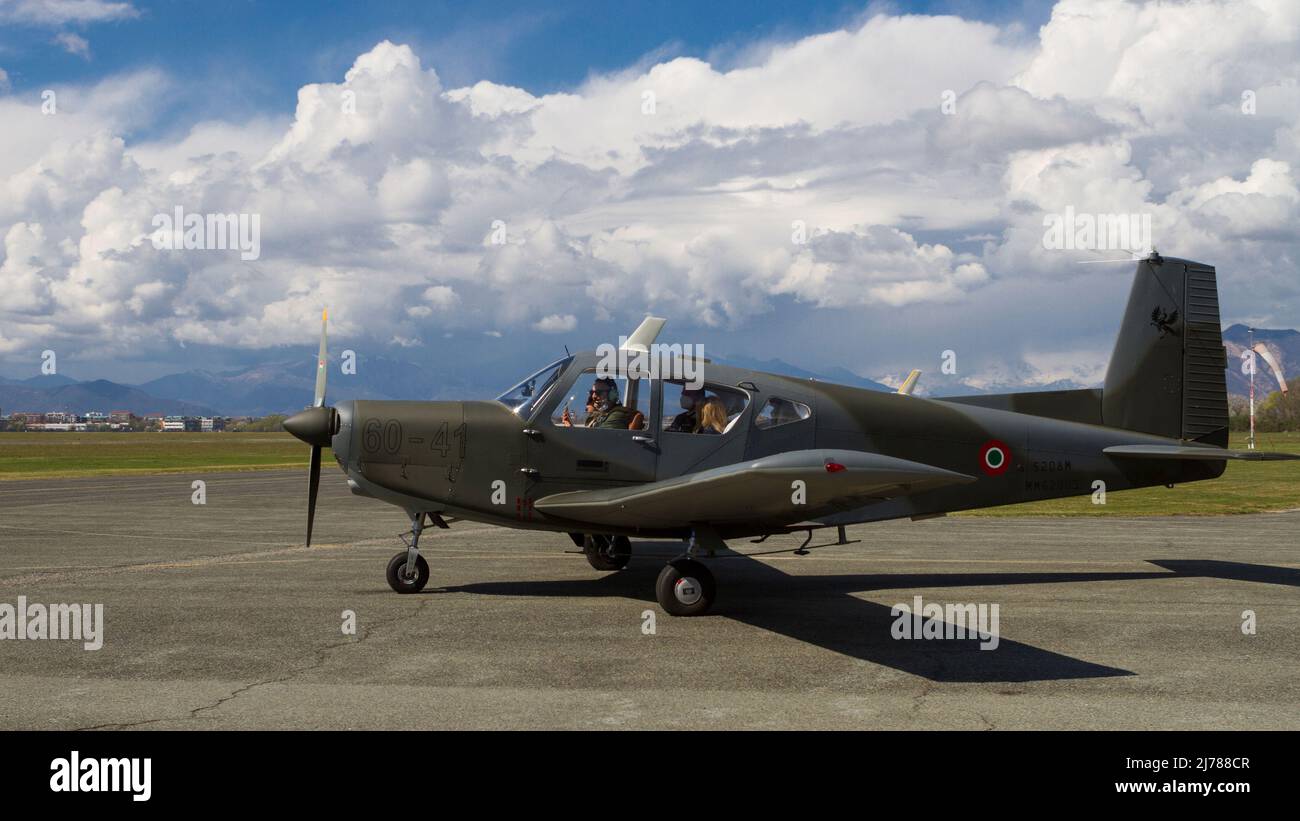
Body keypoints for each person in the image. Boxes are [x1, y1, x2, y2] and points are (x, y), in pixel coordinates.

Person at [561, 377, 645, 430]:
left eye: (598, 392)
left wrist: (569, 427)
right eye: (592, 392)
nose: (593, 396)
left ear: (612, 395)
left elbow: (598, 443)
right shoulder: (603, 414)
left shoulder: (618, 415)